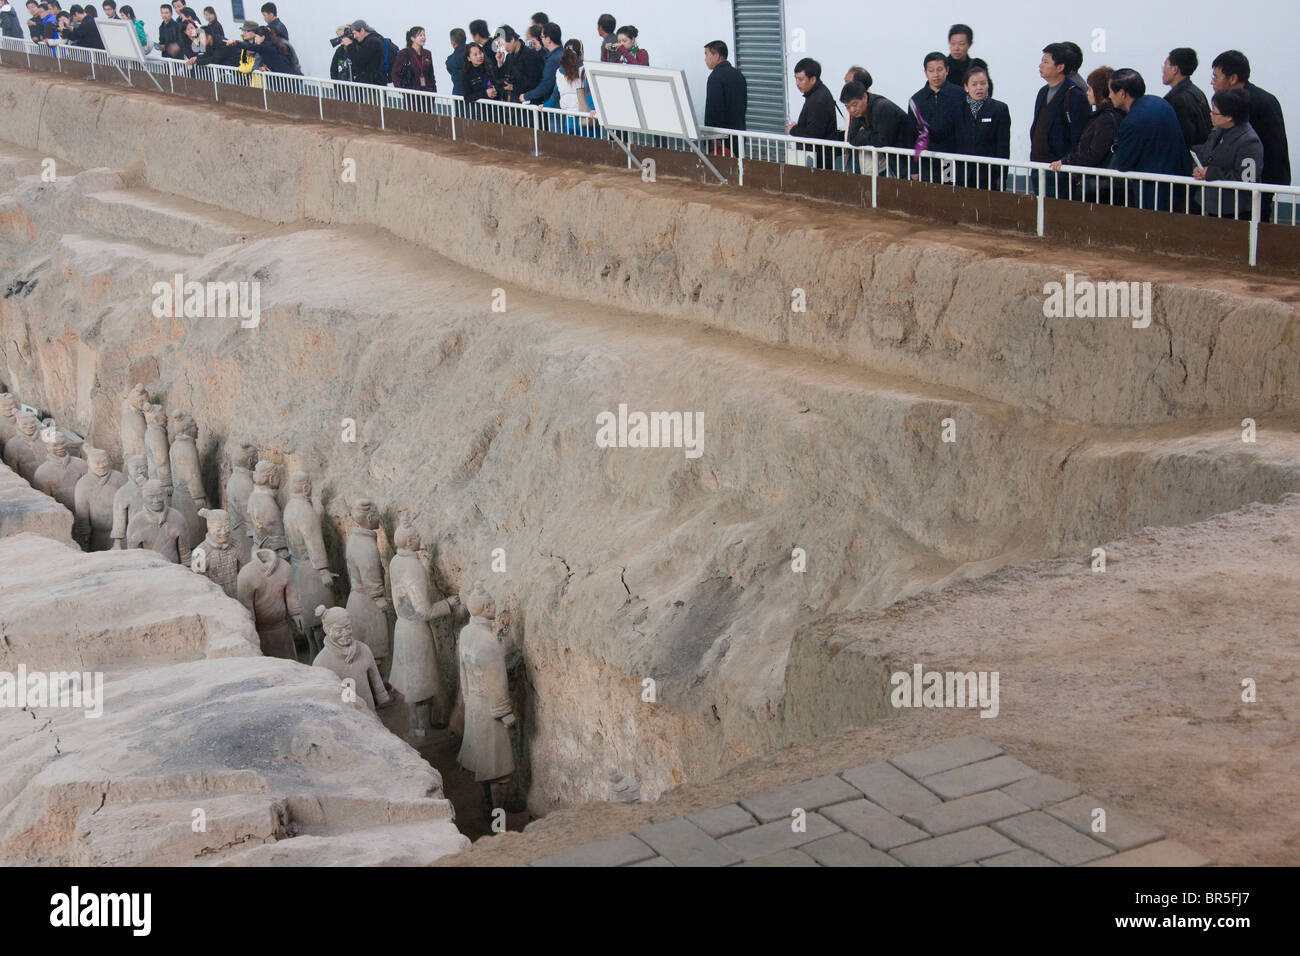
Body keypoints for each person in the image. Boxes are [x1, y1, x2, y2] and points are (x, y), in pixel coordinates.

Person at [1211, 50, 1291, 223]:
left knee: (1255, 228)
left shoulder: (1258, 103)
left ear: (1232, 78)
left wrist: (1268, 186)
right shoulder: (1237, 102)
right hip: (1241, 180)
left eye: (1216, 77)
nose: (1212, 82)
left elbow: (1274, 148)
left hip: (1259, 182)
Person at [1109, 67, 1192, 210]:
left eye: (1111, 91)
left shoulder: (1132, 121)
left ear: (1122, 93)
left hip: (1152, 190)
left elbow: (1123, 164)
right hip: (1179, 182)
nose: (1109, 96)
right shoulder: (1160, 102)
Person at [1050, 66, 1120, 202]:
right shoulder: (1108, 116)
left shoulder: (1105, 119)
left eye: (1091, 89)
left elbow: (1094, 154)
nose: (1087, 92)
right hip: (1105, 185)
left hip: (1099, 187)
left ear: (1100, 92)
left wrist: (1066, 161)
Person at [1193, 87, 1265, 219]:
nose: (1211, 115)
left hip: (1234, 210)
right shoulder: (1217, 131)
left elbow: (1246, 179)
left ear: (1229, 117)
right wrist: (1198, 169)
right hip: (1209, 203)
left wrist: (1210, 173)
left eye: (1215, 113)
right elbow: (1204, 155)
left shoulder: (1249, 142)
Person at [1030, 42, 1091, 197]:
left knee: (1058, 213)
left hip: (1059, 169)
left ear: (1060, 67)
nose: (1040, 65)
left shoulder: (1075, 95)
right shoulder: (1043, 92)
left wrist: (1066, 162)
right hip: (1038, 165)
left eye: (1046, 62)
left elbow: (1079, 136)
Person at [840, 74, 912, 176]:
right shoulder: (858, 112)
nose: (852, 110)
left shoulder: (882, 107)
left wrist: (863, 133)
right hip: (895, 161)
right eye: (847, 107)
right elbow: (852, 138)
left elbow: (883, 140)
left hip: (911, 159)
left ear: (864, 96)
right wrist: (871, 134)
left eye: (854, 104)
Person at [953, 65, 1010, 189]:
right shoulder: (956, 109)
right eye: (974, 84)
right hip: (962, 173)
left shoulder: (999, 109)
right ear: (966, 87)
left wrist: (1002, 177)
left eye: (983, 83)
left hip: (989, 174)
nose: (979, 87)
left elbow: (1003, 147)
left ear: (988, 85)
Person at [911, 52, 965, 182]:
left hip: (950, 157)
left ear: (947, 70)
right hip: (926, 158)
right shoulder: (916, 100)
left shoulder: (959, 95)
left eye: (940, 69)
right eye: (931, 70)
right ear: (925, 73)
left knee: (949, 193)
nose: (936, 74)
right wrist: (913, 168)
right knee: (926, 195)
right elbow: (911, 135)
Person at [787, 57, 839, 169]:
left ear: (813, 79)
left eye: (801, 79)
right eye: (796, 79)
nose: (797, 83)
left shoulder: (818, 100)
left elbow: (814, 134)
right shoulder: (817, 93)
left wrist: (793, 130)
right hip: (817, 156)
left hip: (819, 160)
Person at [1162, 47, 1211, 150]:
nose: (1163, 70)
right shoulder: (1197, 92)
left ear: (1175, 69)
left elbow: (1183, 139)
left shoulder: (1178, 100)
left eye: (1165, 66)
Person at [704, 39, 747, 133]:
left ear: (716, 56)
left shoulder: (715, 77)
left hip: (721, 139)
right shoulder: (739, 75)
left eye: (706, 54)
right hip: (739, 133)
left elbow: (714, 110)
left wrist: (712, 137)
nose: (705, 59)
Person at [554, 37, 595, 134]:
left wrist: (543, 106)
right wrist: (593, 109)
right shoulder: (585, 69)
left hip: (568, 118)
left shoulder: (559, 72)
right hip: (585, 119)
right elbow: (588, 92)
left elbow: (555, 94)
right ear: (581, 53)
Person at [226, 20, 292, 74]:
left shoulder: (265, 46)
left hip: (284, 76)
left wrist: (234, 42)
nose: (255, 39)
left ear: (263, 37)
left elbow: (251, 47)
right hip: (282, 74)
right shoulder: (270, 44)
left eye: (256, 37)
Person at [496, 25, 541, 104]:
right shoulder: (509, 56)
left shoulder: (530, 54)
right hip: (512, 102)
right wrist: (500, 64)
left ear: (512, 39)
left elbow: (534, 81)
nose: (502, 48)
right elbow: (503, 79)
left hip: (528, 103)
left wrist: (514, 87)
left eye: (502, 44)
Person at [522, 20, 562, 104]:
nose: (541, 39)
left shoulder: (553, 60)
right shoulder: (561, 53)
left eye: (542, 37)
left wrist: (526, 96)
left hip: (554, 106)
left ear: (548, 39)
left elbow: (545, 86)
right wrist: (540, 49)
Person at [392, 25, 435, 98]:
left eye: (424, 35)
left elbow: (431, 74)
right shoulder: (404, 53)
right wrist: (402, 90)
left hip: (427, 92)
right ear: (412, 38)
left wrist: (433, 90)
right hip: (411, 93)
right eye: (420, 35)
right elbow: (394, 73)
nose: (423, 38)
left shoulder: (427, 53)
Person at [945, 23, 989, 92]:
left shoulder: (978, 65)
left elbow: (987, 91)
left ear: (970, 44)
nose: (956, 48)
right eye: (953, 43)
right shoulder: (942, 66)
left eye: (961, 44)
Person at [462, 40, 499, 116]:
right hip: (478, 112)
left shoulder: (489, 67)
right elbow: (467, 97)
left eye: (480, 53)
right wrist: (485, 93)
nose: (479, 56)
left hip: (494, 109)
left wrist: (495, 90)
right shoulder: (466, 74)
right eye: (475, 54)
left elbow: (497, 83)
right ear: (469, 58)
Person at [343, 19, 385, 86]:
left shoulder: (372, 42)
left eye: (355, 33)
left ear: (362, 30)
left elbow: (358, 61)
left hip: (373, 85)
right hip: (374, 83)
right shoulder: (375, 39)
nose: (354, 37)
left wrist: (350, 45)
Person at [446, 27, 467, 97]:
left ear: (452, 41)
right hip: (479, 94)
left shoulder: (450, 60)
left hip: (459, 95)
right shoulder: (477, 52)